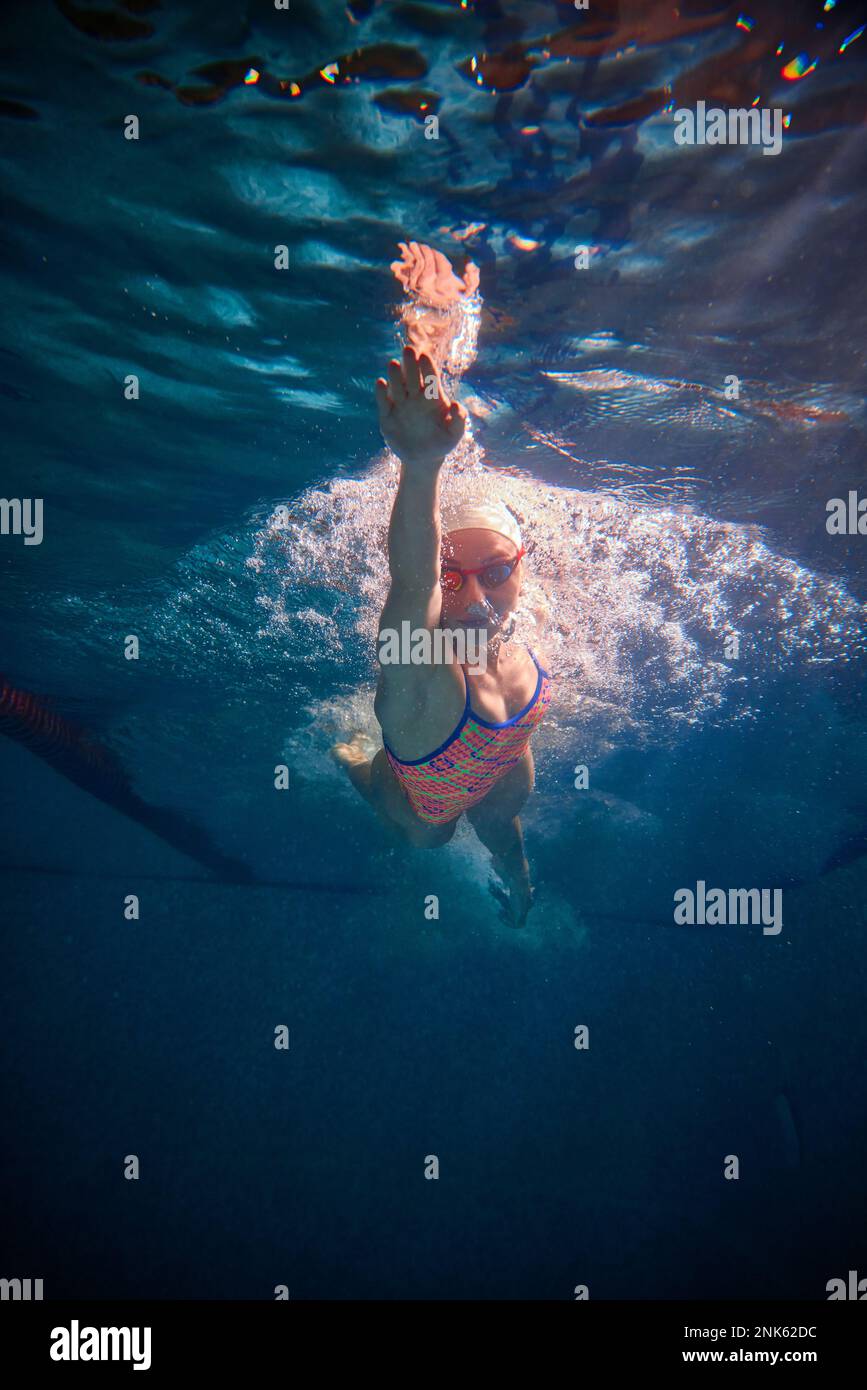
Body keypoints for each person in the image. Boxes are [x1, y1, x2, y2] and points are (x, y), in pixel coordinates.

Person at [332, 244, 552, 926]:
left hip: (496, 769)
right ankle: (353, 757)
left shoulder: (524, 621)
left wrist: (516, 878)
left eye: (496, 573)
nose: (478, 598)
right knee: (430, 835)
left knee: (498, 813)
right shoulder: (417, 665)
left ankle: (516, 887)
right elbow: (409, 577)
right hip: (420, 795)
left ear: (521, 565)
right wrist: (421, 463)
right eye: (451, 577)